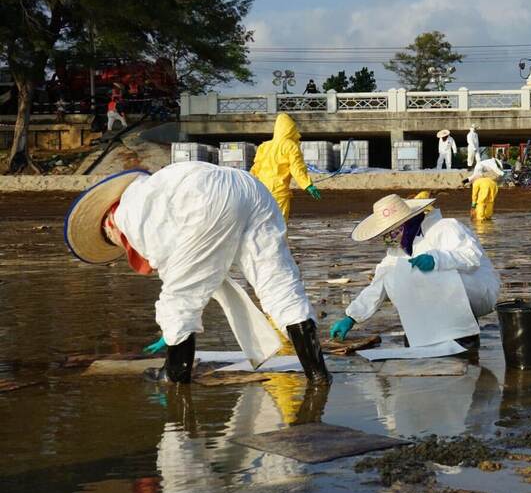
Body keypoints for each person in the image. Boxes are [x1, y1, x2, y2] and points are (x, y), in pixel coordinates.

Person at [63, 163, 331, 384]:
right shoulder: (153, 188)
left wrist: (173, 329)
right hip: (251, 188)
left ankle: (176, 372)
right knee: (278, 285)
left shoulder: (125, 213)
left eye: (113, 242)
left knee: (178, 298)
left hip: (206, 197)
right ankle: (317, 373)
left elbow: (176, 274)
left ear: (108, 225)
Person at [328, 195, 500, 346]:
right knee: (392, 275)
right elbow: (379, 284)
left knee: (429, 274)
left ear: (408, 221)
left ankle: (463, 333)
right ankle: (430, 328)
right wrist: (352, 317)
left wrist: (437, 259)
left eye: (392, 231)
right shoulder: (397, 249)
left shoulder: (445, 227)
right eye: (385, 234)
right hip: (444, 300)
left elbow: (472, 257)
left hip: (478, 290)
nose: (388, 238)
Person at [251, 113, 322, 221]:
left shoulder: (264, 146)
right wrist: (308, 185)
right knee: (279, 222)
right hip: (279, 191)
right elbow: (296, 169)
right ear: (291, 128)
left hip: (261, 190)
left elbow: (255, 169)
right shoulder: (290, 146)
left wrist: (248, 182)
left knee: (262, 221)